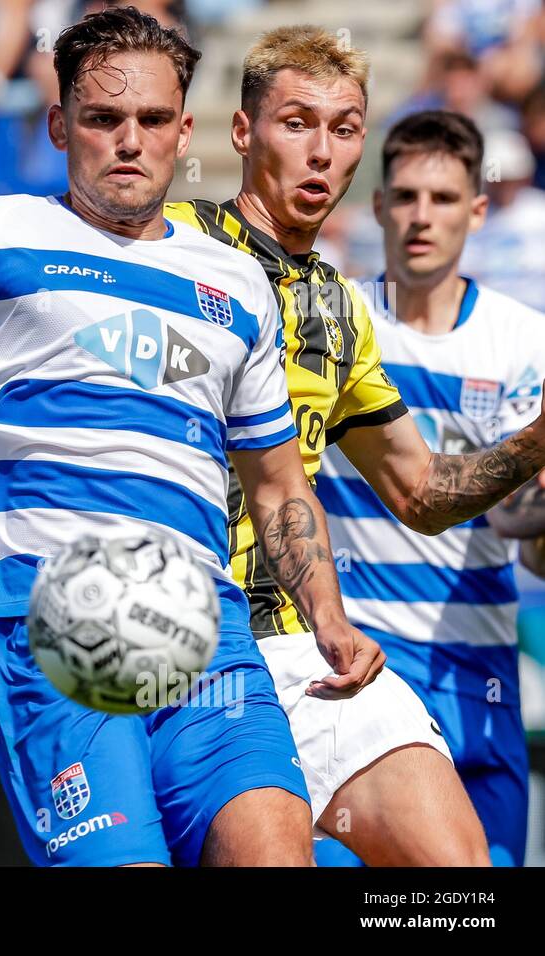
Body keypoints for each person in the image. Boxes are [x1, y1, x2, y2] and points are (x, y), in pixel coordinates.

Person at [0, 7, 385, 867]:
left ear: (184, 128)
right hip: (50, 617)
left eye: (152, 120)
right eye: (103, 119)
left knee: (279, 854)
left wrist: (329, 616)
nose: (129, 141)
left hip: (207, 624)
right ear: (60, 125)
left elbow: (280, 485)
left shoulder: (236, 282)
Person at [166, 25, 545, 865]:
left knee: (461, 873)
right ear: (242, 132)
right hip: (187, 642)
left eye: (342, 130)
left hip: (307, 644)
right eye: (296, 123)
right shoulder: (170, 245)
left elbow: (423, 494)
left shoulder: (340, 309)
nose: (321, 151)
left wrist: (537, 441)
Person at [314, 111, 539, 867]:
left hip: (475, 666)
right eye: (405, 196)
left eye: (443, 199)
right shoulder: (333, 319)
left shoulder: (521, 341)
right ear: (377, 206)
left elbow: (524, 532)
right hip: (360, 663)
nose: (421, 217)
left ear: (478, 208)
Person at [458, 129, 545, 313]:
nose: (504, 185)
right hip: (488, 314)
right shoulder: (470, 213)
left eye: (510, 178)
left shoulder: (539, 210)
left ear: (524, 177)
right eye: (499, 179)